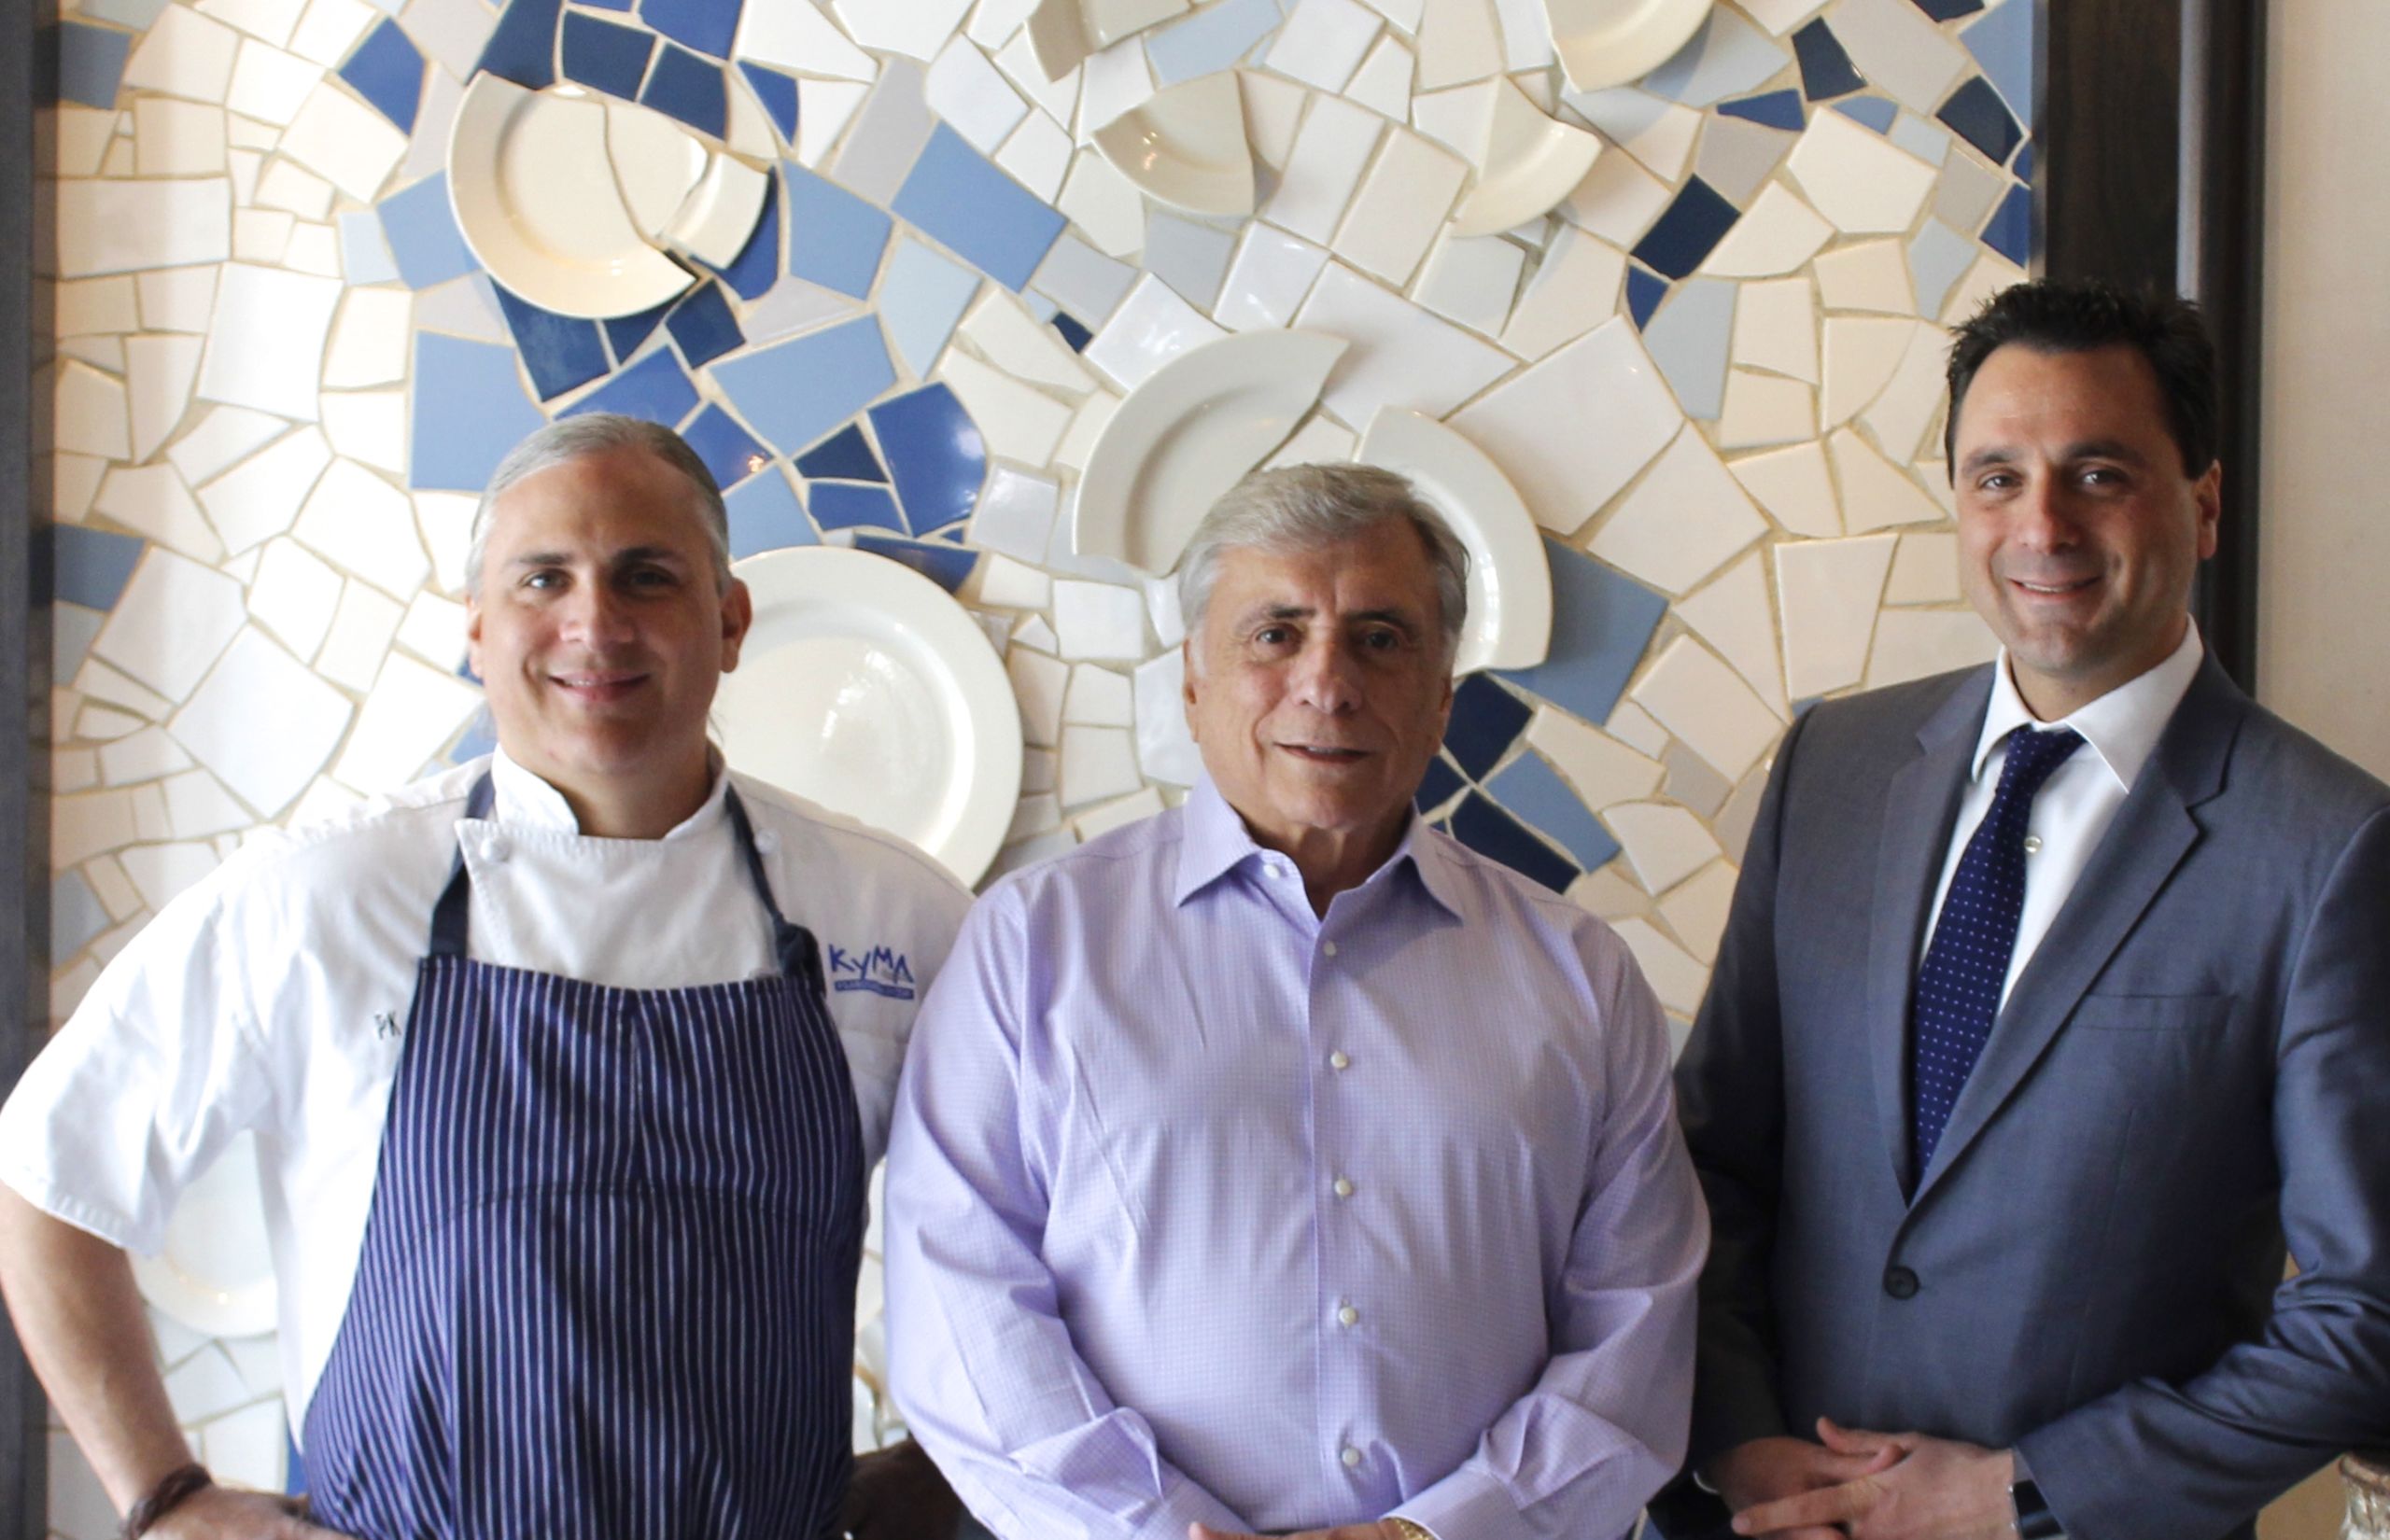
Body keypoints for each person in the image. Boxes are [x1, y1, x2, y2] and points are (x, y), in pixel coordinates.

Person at [0, 414, 971, 1539]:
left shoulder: (894, 914)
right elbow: (45, 1177)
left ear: (731, 619)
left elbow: (1059, 1216)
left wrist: (955, 1465)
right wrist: (166, 1500)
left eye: (645, 576)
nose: (592, 623)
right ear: (475, 628)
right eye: (542, 579)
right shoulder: (324, 893)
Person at [1666, 280, 2390, 1540]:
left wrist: (2021, 1494)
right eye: (1996, 476)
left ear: (2205, 502)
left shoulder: (2332, 848)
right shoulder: (1833, 767)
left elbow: (2366, 1312)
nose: (2041, 525)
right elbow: (1712, 1161)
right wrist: (1740, 1443)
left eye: (2099, 473)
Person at [882, 463, 1708, 1540]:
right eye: (1274, 634)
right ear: (1192, 680)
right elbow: (963, 1313)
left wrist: (1440, 1534)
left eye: (1380, 638)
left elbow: (1636, 1331)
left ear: (1444, 693)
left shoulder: (1580, 975)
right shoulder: (1030, 947)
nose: (1327, 684)